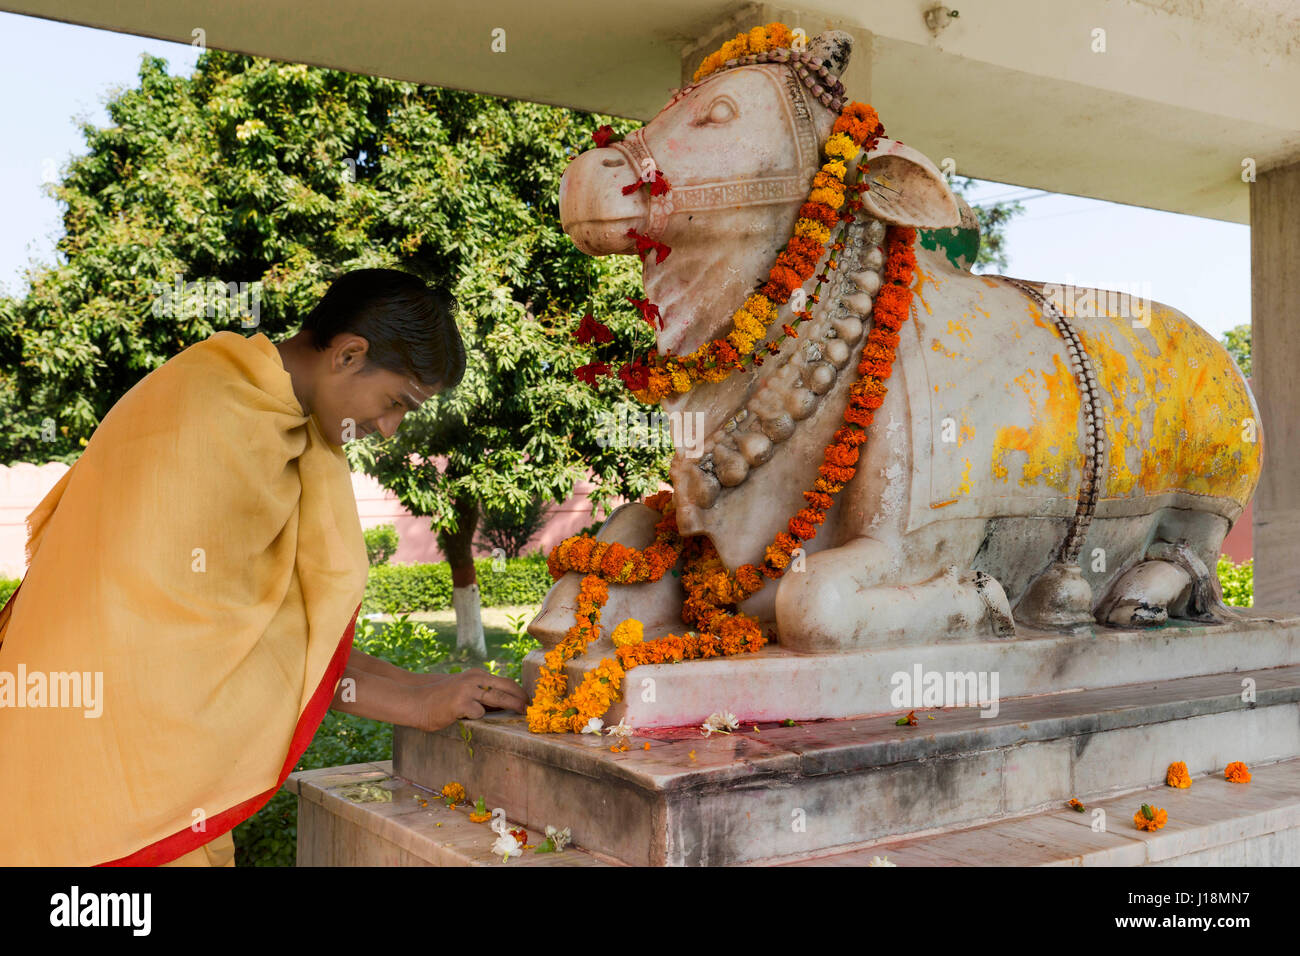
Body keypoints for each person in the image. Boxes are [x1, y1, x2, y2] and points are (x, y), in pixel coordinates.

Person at [0, 268, 528, 866]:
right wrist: (412, 705)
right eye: (395, 403)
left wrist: (422, 686)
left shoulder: (270, 411)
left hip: (132, 760)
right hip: (97, 763)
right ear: (349, 354)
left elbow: (278, 627)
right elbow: (218, 644)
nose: (389, 429)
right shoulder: (213, 415)